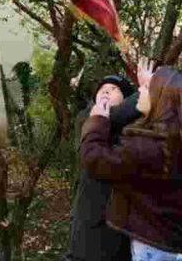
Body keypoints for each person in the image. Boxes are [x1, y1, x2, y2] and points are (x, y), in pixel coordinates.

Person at [81, 65, 182, 261]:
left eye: (147, 87)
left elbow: (95, 159)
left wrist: (98, 120)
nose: (139, 90)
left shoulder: (151, 144)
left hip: (157, 251)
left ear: (163, 98)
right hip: (176, 245)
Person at [66, 75, 138, 261]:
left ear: (125, 98)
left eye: (114, 89)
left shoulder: (135, 124)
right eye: (103, 88)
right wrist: (147, 89)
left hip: (124, 222)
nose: (107, 91)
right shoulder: (85, 118)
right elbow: (114, 116)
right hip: (90, 220)